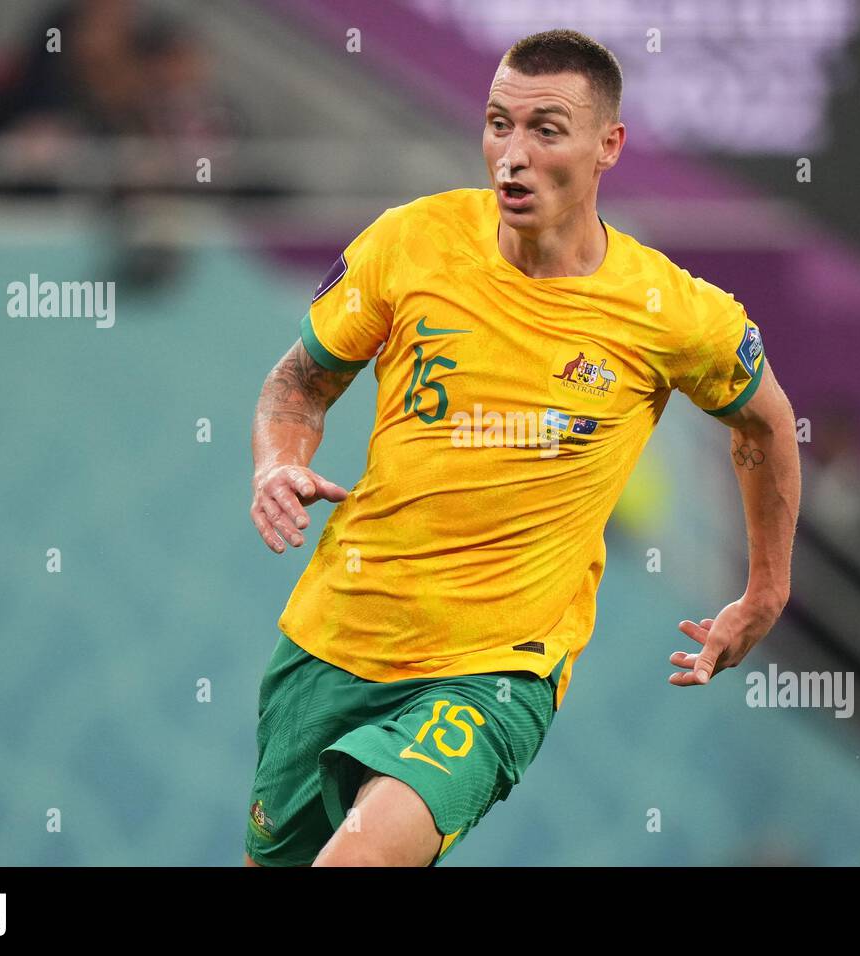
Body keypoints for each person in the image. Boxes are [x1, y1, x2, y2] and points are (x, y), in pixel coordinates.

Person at [243, 29, 800, 867]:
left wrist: (765, 590)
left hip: (493, 674)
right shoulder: (411, 242)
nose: (513, 153)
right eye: (499, 123)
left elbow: (764, 424)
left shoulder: (674, 313)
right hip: (331, 643)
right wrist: (277, 460)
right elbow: (299, 385)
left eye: (547, 129)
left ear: (609, 145)